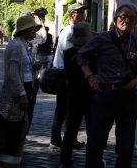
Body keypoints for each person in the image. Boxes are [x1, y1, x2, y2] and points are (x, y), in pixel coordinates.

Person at [78, 4, 137, 168]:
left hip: (127, 96)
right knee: (96, 140)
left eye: (131, 18)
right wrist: (90, 76)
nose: (126, 21)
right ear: (115, 18)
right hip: (104, 94)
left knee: (126, 144)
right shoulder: (103, 38)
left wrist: (135, 81)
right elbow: (81, 55)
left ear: (135, 22)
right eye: (123, 17)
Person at [0, 14, 42, 167]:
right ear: (26, 30)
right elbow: (12, 73)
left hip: (25, 87)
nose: (34, 32)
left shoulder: (24, 44)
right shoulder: (16, 46)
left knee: (21, 125)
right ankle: (8, 159)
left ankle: (15, 157)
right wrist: (22, 93)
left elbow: (23, 67)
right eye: (33, 29)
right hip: (16, 91)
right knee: (13, 125)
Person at [49, 2, 88, 152]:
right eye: (80, 13)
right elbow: (69, 56)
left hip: (68, 75)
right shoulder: (69, 32)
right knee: (64, 111)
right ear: (72, 15)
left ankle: (68, 139)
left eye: (83, 12)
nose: (83, 15)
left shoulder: (75, 30)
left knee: (67, 110)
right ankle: (57, 140)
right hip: (65, 75)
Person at [58, 22, 94, 168]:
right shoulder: (91, 55)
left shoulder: (68, 54)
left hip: (72, 96)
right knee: (93, 130)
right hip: (90, 96)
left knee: (70, 131)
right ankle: (92, 161)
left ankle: (64, 161)